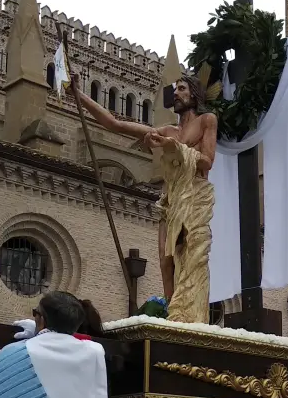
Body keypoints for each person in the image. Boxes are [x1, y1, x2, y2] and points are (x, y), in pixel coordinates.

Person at [70, 72, 217, 324]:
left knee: (190, 256)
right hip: (170, 200)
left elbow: (207, 161)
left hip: (194, 197)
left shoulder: (207, 121)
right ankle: (174, 314)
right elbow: (115, 124)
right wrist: (79, 95)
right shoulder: (168, 130)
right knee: (165, 258)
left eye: (181, 88)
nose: (177, 94)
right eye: (175, 90)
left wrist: (176, 148)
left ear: (193, 93)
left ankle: (189, 316)